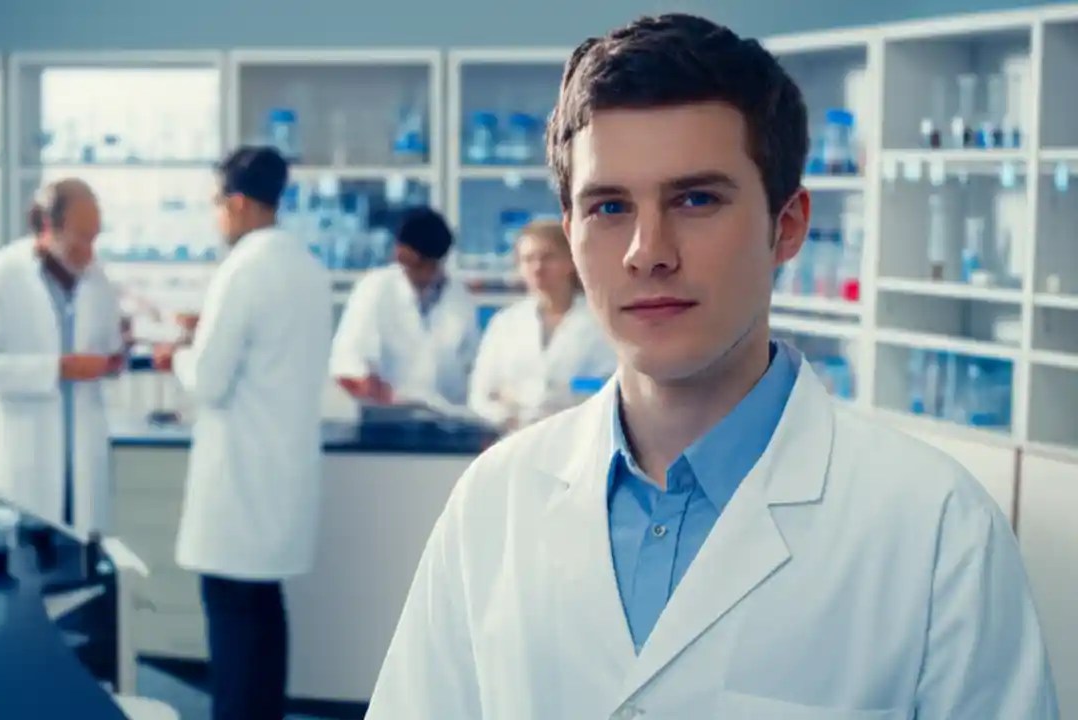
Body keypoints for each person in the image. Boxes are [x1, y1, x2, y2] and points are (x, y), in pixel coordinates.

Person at [366, 14, 1057, 720]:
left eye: (696, 199)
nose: (647, 251)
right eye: (608, 206)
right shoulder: (493, 502)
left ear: (786, 226)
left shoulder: (936, 527)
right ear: (571, 235)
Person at [154, 146, 332, 720]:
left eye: (214, 204)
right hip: (281, 473)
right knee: (263, 618)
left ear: (234, 203)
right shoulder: (305, 265)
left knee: (233, 635)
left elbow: (207, 381)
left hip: (238, 481)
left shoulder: (242, 267)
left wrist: (178, 351)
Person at [0, 179, 124, 534]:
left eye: (95, 238)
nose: (90, 253)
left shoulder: (98, 280)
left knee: (85, 573)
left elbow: (109, 352)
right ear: (48, 227)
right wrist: (55, 368)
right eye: (81, 238)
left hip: (83, 463)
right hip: (26, 462)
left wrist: (113, 362)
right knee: (27, 568)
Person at [468, 219, 615, 429]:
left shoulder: (599, 322)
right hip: (514, 438)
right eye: (528, 259)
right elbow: (480, 396)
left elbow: (610, 385)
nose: (538, 267)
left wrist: (569, 392)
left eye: (548, 257)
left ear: (571, 261)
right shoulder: (505, 324)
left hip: (580, 434)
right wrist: (509, 415)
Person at [330, 207, 479, 409]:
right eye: (418, 264)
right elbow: (349, 359)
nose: (428, 274)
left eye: (432, 265)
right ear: (400, 254)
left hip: (446, 419)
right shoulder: (375, 289)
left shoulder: (458, 298)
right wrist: (372, 386)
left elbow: (473, 367)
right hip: (386, 420)